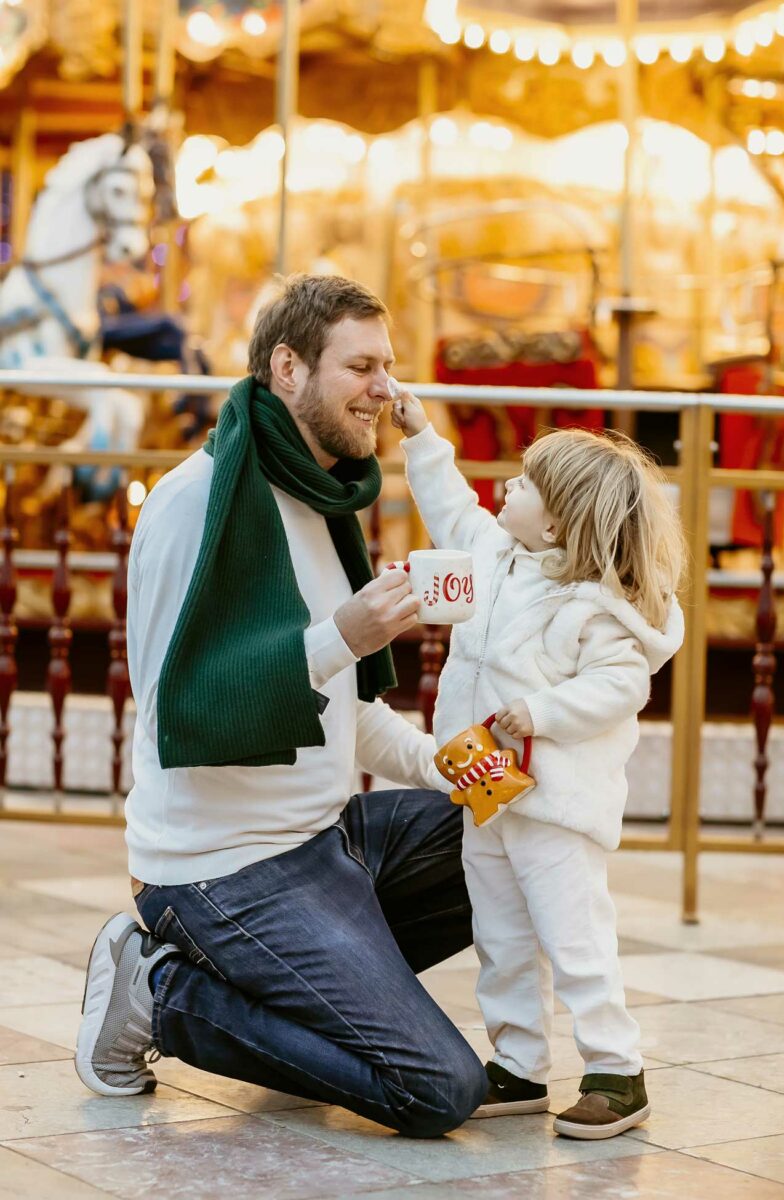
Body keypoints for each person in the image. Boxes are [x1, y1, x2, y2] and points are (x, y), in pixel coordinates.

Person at [75, 274, 487, 1137]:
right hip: (224, 868)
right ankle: (163, 993)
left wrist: (448, 766)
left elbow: (339, 709)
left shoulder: (323, 493)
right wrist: (344, 632)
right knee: (438, 1089)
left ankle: (298, 1007)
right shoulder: (197, 503)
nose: (386, 388)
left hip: (323, 838)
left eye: (389, 366)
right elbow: (177, 703)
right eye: (362, 367)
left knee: (511, 829)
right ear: (289, 368)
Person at [392, 388, 685, 1139]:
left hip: (554, 805)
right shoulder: (497, 554)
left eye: (524, 485)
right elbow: (451, 506)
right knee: (501, 934)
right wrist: (422, 435)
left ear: (557, 517)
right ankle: (518, 1062)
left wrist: (545, 712)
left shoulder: (593, 605)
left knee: (573, 932)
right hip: (487, 789)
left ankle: (618, 1068)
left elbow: (622, 686)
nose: (507, 489)